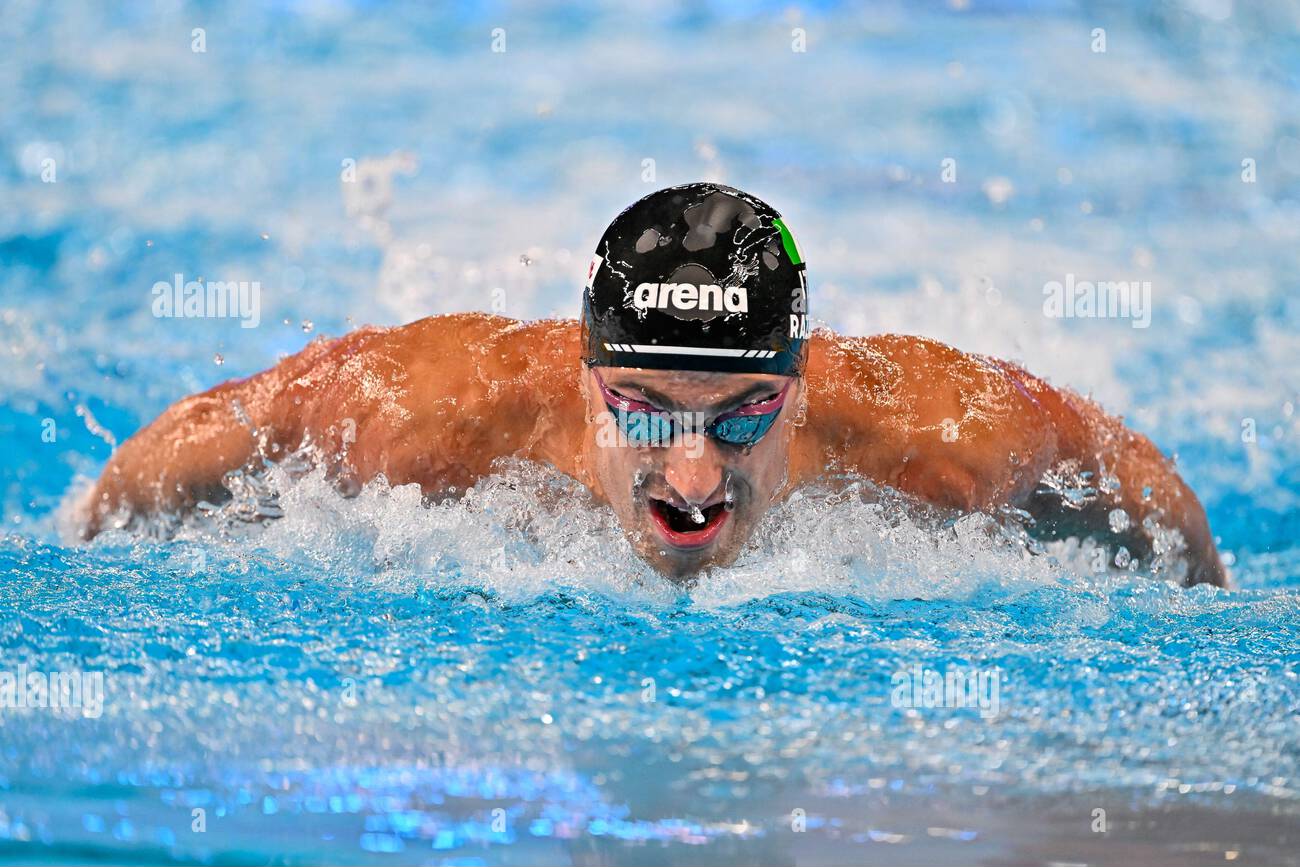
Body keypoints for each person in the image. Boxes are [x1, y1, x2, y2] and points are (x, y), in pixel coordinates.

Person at [82, 183, 1227, 587]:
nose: (690, 480)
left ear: (800, 382)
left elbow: (1140, 483)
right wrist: (71, 547)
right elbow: (196, 441)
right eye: (642, 406)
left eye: (740, 418)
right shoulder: (427, 417)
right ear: (582, 383)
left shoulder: (939, 439)